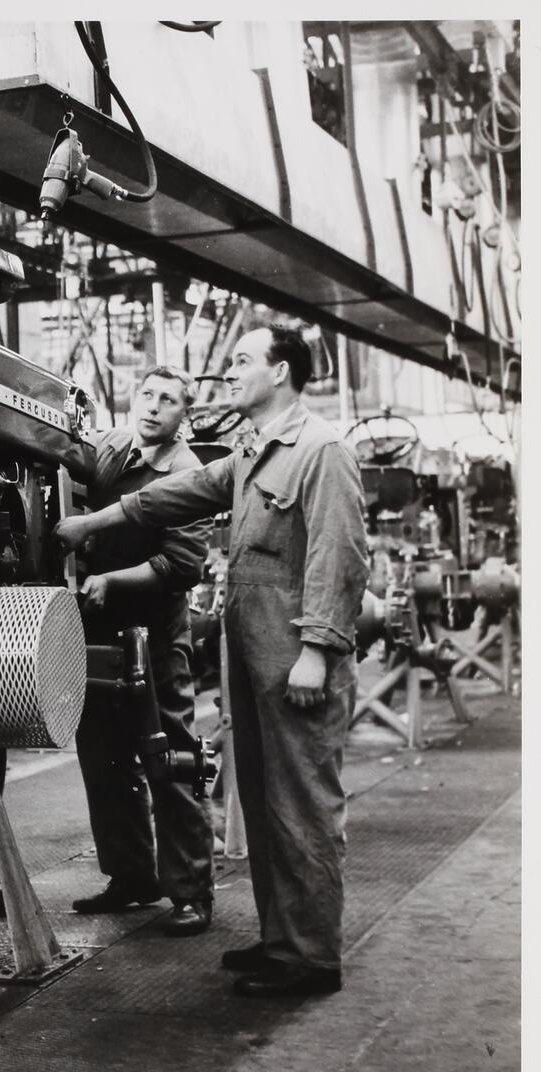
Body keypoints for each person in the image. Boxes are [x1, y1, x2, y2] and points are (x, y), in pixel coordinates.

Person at [55, 326, 369, 997]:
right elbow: (177, 492)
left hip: (294, 658)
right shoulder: (252, 452)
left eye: (242, 361)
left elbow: (339, 559)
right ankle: (280, 940)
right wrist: (95, 523)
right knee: (262, 801)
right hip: (255, 658)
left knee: (303, 806)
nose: (231, 373)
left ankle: (310, 956)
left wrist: (318, 650)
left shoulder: (320, 450)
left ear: (280, 372)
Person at [69, 366, 215, 937]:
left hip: (155, 637)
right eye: (147, 395)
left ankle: (191, 893)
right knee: (103, 760)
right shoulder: (109, 450)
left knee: (170, 757)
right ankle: (132, 877)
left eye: (169, 401)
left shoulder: (188, 473)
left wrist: (110, 581)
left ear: (186, 416)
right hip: (98, 634)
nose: (154, 407)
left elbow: (181, 566)